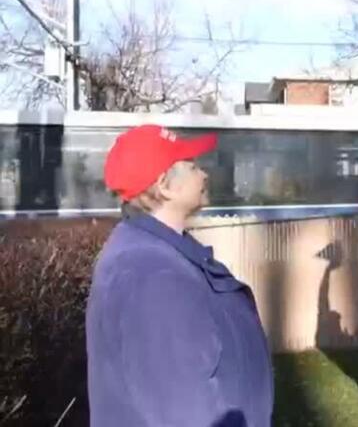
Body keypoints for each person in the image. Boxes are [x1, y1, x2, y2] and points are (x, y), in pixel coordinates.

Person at [86, 125, 273, 427]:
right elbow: (186, 413)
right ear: (164, 186)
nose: (204, 174)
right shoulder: (152, 276)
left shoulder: (159, 252)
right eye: (193, 166)